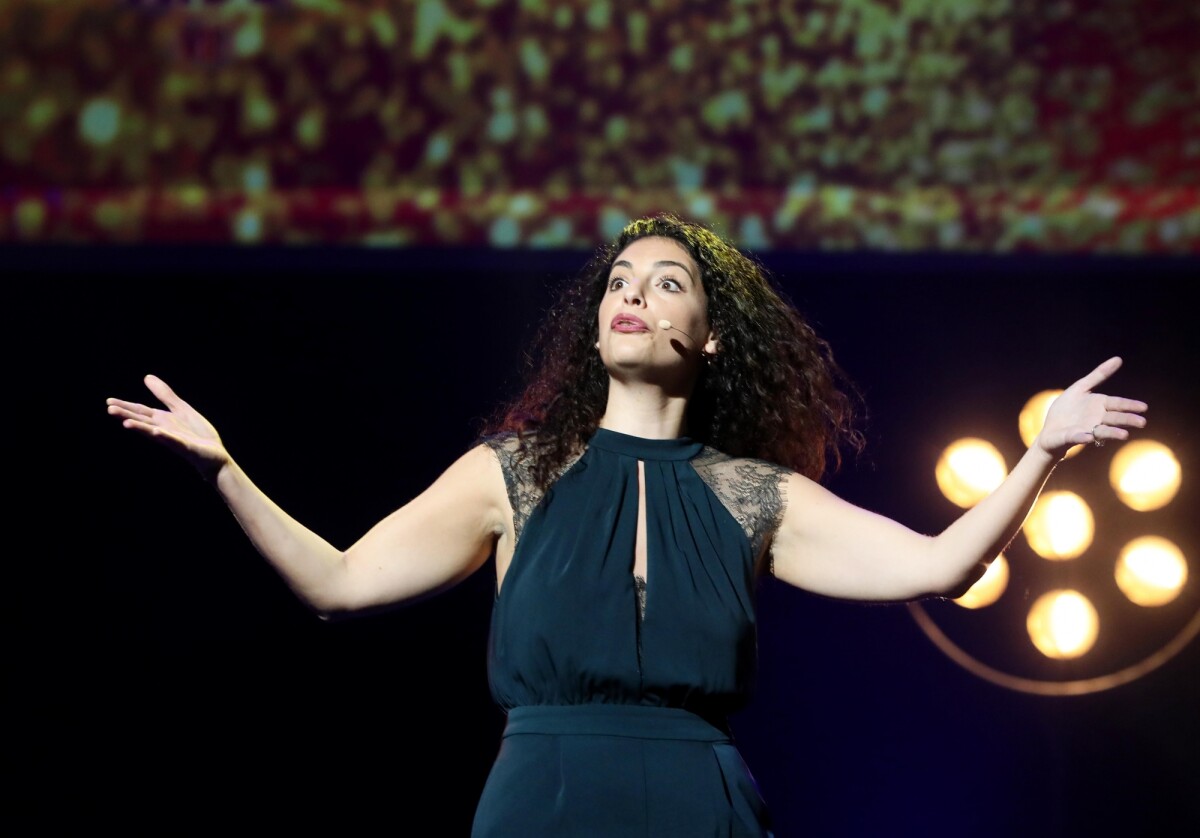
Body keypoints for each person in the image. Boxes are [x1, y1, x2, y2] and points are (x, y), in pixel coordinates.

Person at [105, 213, 1148, 836]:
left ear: (712, 336)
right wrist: (224, 468)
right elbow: (338, 584)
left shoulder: (754, 495)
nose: (632, 295)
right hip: (544, 799)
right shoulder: (514, 472)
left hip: (704, 805)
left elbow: (944, 563)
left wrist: (1043, 451)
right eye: (618, 282)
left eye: (666, 282)